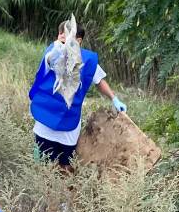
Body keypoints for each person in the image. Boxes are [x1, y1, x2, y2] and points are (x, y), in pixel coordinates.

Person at [30, 21, 127, 168]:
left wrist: (115, 99)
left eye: (66, 34)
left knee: (65, 167)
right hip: (45, 120)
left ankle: (63, 190)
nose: (62, 36)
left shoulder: (87, 61)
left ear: (78, 40)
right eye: (60, 33)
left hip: (68, 124)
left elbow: (99, 81)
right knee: (42, 165)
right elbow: (50, 63)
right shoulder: (52, 53)